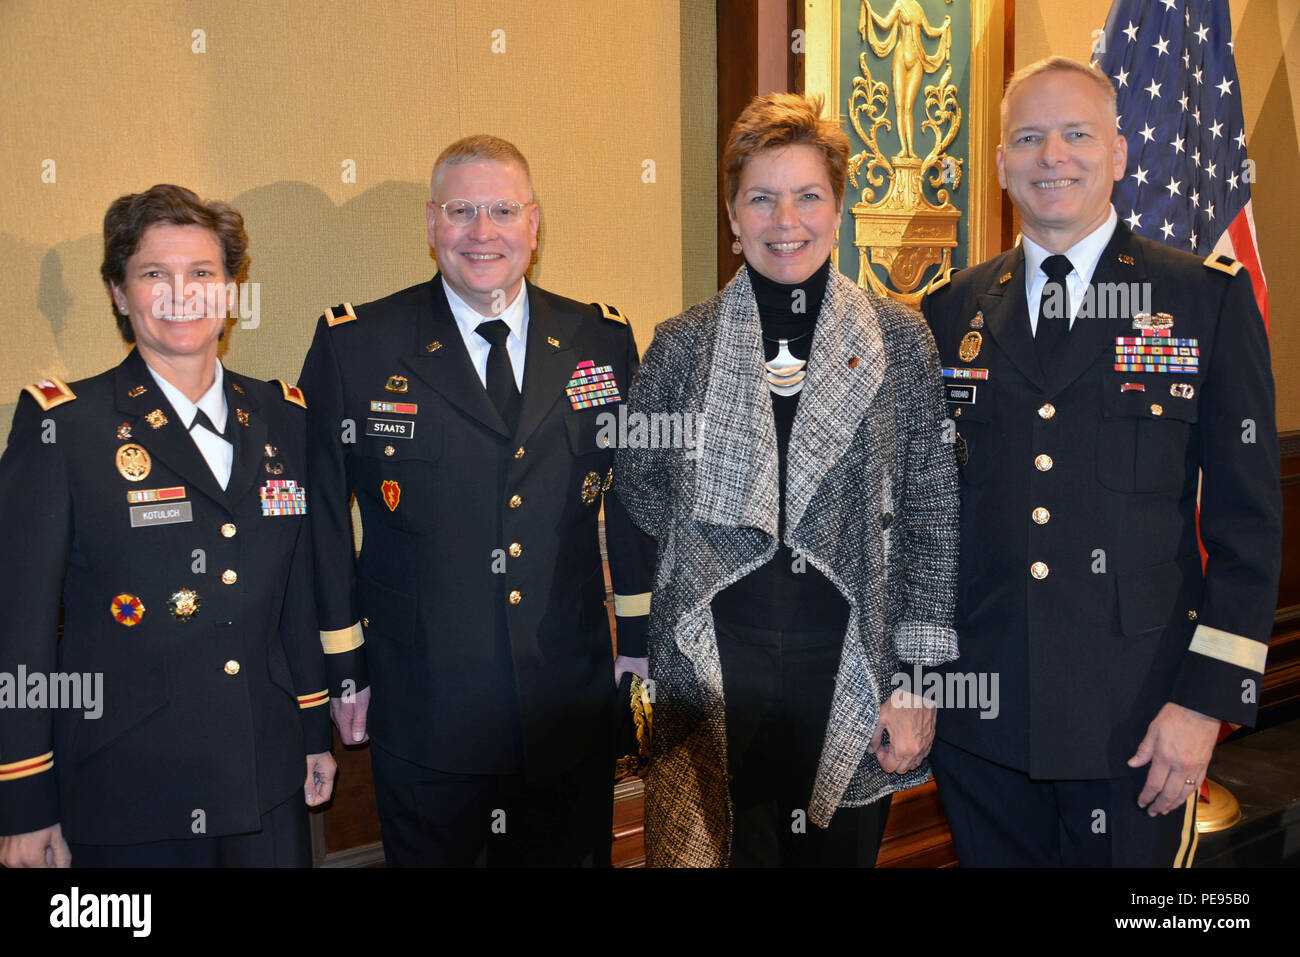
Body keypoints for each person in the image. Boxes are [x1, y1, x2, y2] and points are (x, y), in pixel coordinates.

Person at [920, 57, 1282, 867]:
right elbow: (926, 519)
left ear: (1119, 153)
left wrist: (1202, 704)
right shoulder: (951, 310)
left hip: (1139, 724)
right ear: (1002, 163)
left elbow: (1247, 528)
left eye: (1077, 134)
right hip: (983, 724)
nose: (1053, 156)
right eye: (1029, 138)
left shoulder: (1201, 301)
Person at [616, 93, 959, 867]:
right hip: (713, 668)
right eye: (761, 198)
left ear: (838, 210)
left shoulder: (898, 337)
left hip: (850, 668)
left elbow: (934, 517)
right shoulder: (681, 346)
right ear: (733, 218)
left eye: (808, 195)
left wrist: (917, 682)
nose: (786, 219)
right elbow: (637, 494)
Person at [298, 134, 652, 867]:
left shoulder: (602, 339)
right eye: (461, 211)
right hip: (425, 706)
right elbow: (323, 521)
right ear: (431, 226)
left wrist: (639, 647)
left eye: (502, 210)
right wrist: (343, 665)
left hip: (568, 699)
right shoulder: (357, 346)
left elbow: (633, 502)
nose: (482, 232)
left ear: (534, 223)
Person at [0, 184, 336, 867]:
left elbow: (296, 598)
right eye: (155, 273)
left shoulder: (283, 417)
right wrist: (24, 796)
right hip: (128, 791)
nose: (182, 292)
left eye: (203, 273)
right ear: (120, 295)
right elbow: (21, 629)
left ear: (232, 291)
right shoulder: (63, 426)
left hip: (264, 782)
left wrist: (310, 728)